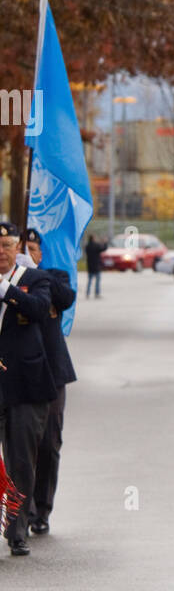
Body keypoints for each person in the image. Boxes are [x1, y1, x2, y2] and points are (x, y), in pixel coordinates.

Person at [0, 221, 57, 556]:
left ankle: (16, 529)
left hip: (25, 384)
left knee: (21, 460)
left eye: (6, 245)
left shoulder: (34, 280)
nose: (1, 252)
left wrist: (7, 291)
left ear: (17, 248)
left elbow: (39, 310)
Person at [23, 228, 77, 536]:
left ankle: (42, 510)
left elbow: (65, 299)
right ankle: (22, 510)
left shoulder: (54, 276)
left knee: (49, 443)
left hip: (53, 371)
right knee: (19, 444)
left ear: (40, 254)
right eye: (23, 248)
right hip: (19, 372)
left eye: (33, 248)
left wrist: (32, 272)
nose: (28, 253)